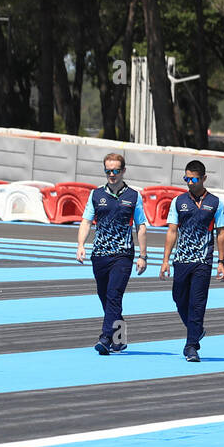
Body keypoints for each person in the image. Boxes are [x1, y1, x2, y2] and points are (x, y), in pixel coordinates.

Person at [76, 152, 148, 354]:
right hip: (99, 254)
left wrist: (143, 255)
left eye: (116, 171)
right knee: (105, 297)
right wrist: (81, 245)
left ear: (123, 171)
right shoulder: (96, 194)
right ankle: (120, 337)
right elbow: (86, 221)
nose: (112, 174)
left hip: (123, 255)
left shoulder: (133, 196)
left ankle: (106, 338)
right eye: (108, 171)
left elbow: (140, 226)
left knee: (114, 295)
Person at [159, 160, 224, 362]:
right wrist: (165, 260)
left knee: (197, 303)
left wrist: (221, 262)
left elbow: (221, 233)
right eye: (186, 178)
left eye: (194, 179)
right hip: (181, 260)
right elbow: (172, 231)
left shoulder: (216, 203)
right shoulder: (178, 202)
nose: (189, 182)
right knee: (178, 298)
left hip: (203, 261)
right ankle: (196, 328)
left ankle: (191, 346)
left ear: (204, 178)